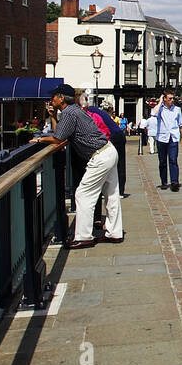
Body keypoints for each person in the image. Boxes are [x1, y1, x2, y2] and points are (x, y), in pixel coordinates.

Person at [34, 84, 122, 248]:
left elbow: (58, 138)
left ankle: (83, 236)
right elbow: (61, 133)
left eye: (53, 96)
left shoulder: (68, 113)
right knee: (111, 193)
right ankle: (114, 232)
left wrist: (39, 139)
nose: (51, 100)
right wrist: (53, 117)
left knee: (82, 194)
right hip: (108, 150)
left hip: (100, 156)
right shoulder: (74, 111)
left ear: (61, 98)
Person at [150, 91, 182, 191]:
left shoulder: (177, 110)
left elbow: (180, 124)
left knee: (173, 160)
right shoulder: (160, 109)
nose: (172, 100)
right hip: (161, 138)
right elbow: (153, 113)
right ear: (165, 99)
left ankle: (174, 182)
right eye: (170, 98)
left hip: (173, 137)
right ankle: (164, 182)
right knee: (162, 162)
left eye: (173, 98)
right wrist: (160, 101)